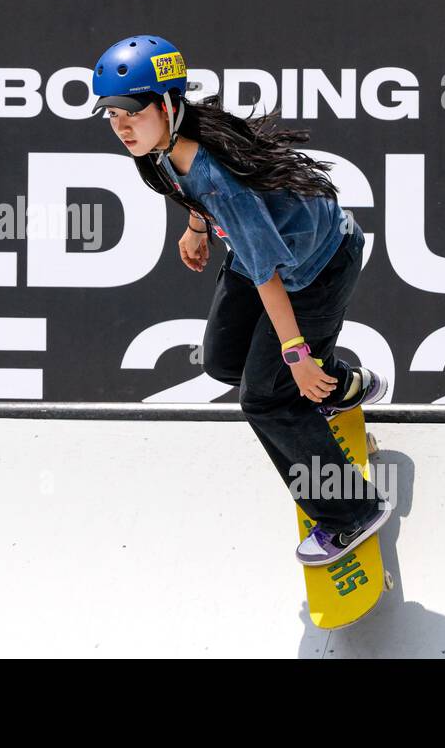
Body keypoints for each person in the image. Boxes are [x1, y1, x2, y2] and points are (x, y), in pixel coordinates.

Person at [89, 34, 391, 566]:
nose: (121, 126)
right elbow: (191, 193)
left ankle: (352, 512)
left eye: (130, 112)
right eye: (110, 114)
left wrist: (297, 357)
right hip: (265, 254)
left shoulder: (219, 178)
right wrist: (197, 227)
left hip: (316, 267)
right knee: (224, 360)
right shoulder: (166, 147)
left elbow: (268, 275)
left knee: (266, 398)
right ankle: (342, 385)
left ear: (166, 106)